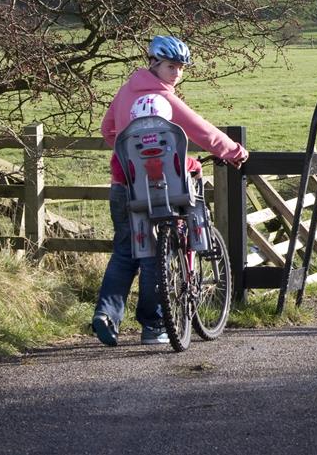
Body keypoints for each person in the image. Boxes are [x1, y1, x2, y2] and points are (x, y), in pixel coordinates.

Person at [91, 35, 248, 346]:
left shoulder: (125, 92)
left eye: (180, 67)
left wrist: (132, 151)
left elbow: (108, 130)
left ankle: (106, 315)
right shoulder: (164, 98)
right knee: (153, 258)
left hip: (125, 185)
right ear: (154, 63)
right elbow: (203, 131)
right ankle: (153, 325)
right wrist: (236, 153)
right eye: (171, 66)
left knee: (124, 252)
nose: (176, 72)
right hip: (164, 190)